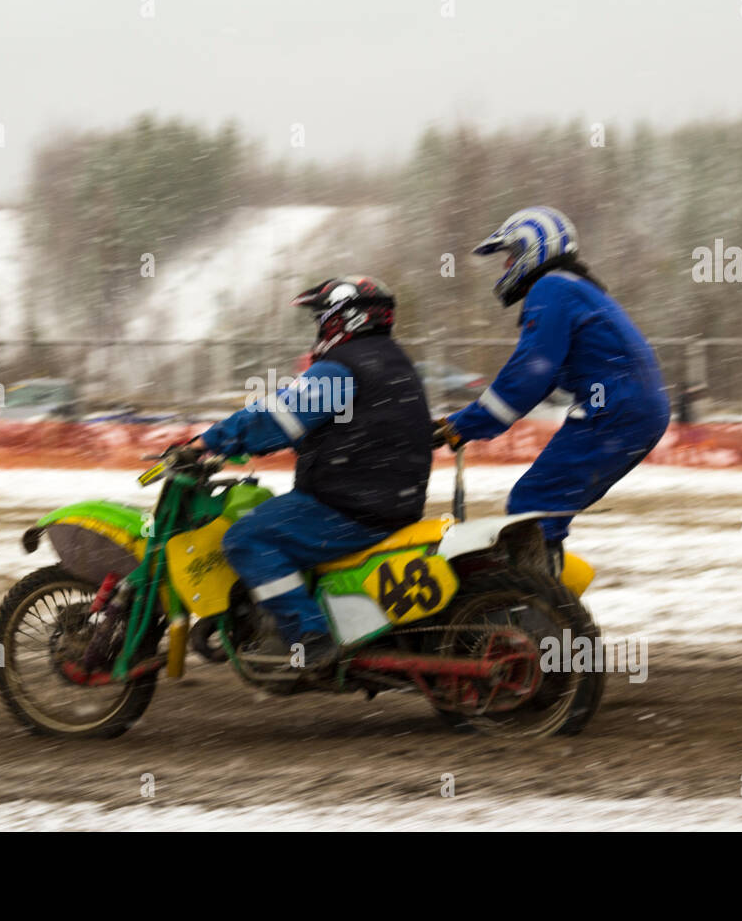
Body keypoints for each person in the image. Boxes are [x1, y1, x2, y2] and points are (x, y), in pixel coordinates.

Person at [194, 276, 433, 671]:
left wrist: (210, 442)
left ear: (344, 319)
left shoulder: (344, 367)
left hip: (351, 507)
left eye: (322, 318)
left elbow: (279, 417)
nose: (319, 328)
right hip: (393, 500)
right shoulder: (393, 359)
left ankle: (310, 636)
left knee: (246, 537)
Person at [434, 206, 670, 575]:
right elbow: (543, 377)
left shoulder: (551, 287)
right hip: (634, 409)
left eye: (509, 256)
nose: (505, 267)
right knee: (545, 509)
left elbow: (528, 375)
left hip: (616, 410)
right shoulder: (573, 287)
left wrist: (462, 425)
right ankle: (549, 603)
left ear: (534, 249)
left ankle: (537, 611)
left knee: (533, 505)